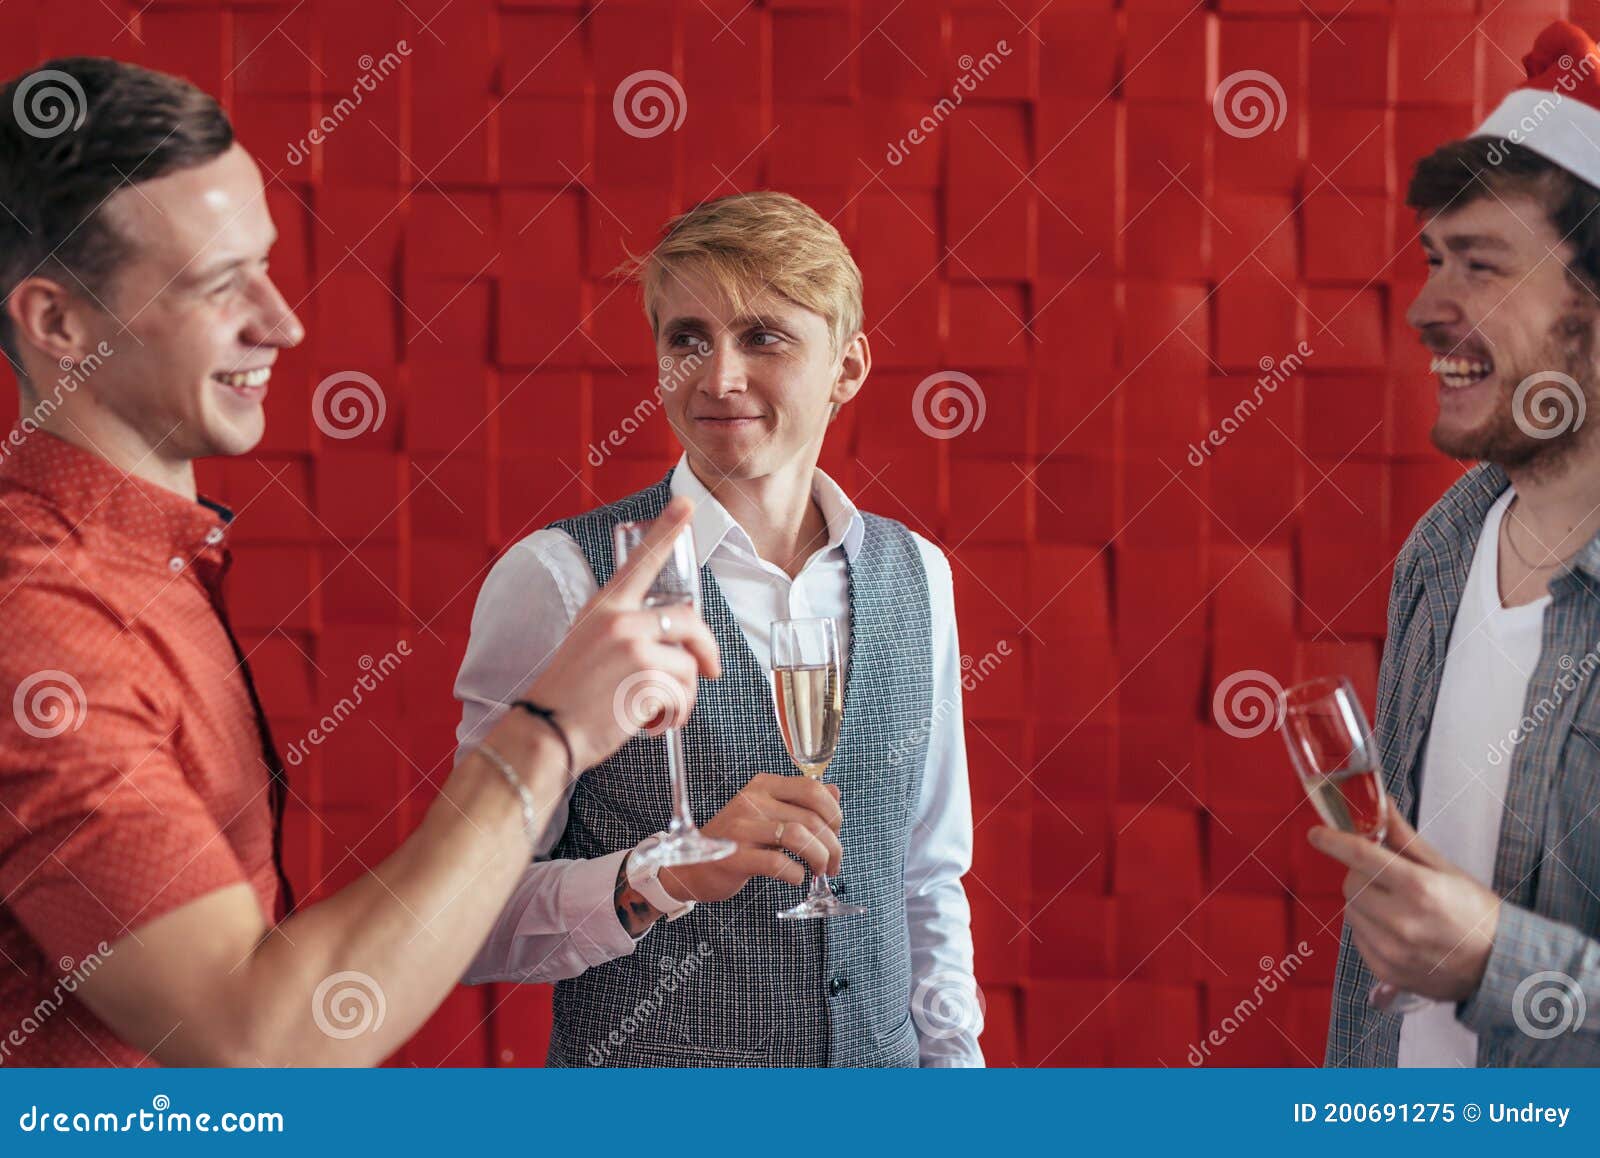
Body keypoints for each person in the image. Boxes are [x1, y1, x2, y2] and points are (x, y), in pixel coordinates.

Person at [0, 57, 719, 1066]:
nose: (282, 322)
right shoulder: (44, 629)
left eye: (264, 263)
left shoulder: (147, 564)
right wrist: (545, 735)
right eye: (217, 285)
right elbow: (262, 1038)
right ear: (57, 323)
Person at [454, 191, 982, 1067]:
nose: (717, 377)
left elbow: (925, 878)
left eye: (763, 338)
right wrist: (659, 875)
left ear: (846, 370)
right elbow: (463, 916)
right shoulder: (559, 580)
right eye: (686, 338)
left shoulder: (918, 574)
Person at [1316, 20, 1600, 1066]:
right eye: (1436, 262)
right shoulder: (1445, 544)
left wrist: (1495, 961)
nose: (1429, 309)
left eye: (1480, 267)